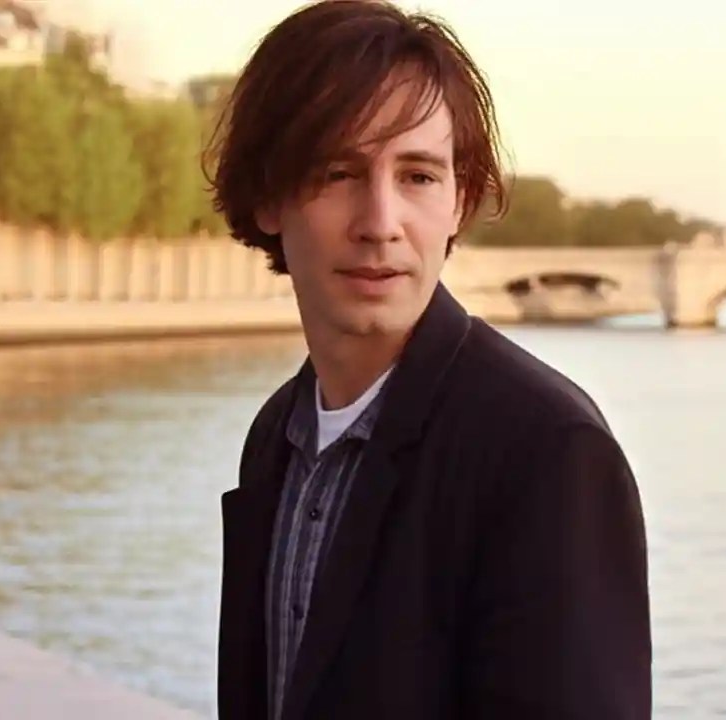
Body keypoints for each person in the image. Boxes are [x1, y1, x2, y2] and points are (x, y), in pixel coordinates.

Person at [205, 2, 651, 718]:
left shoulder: (548, 450)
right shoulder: (276, 436)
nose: (380, 224)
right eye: (338, 172)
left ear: (459, 202)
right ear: (267, 197)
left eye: (417, 177)